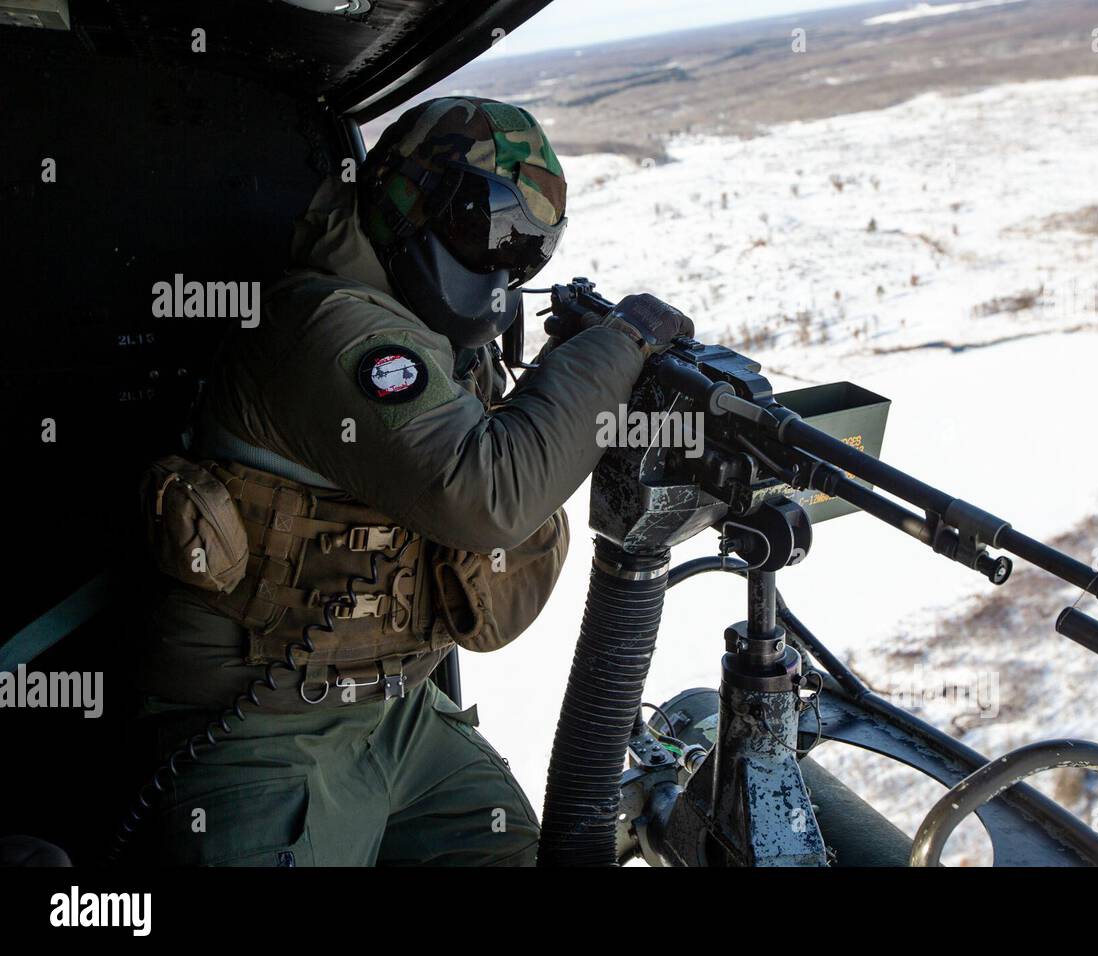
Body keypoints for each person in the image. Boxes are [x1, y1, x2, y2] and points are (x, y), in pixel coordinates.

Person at [132, 96, 693, 866]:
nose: (502, 267)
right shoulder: (329, 327)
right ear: (405, 204)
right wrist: (617, 348)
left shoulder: (427, 339)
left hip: (400, 716)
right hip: (260, 731)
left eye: (527, 250)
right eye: (486, 229)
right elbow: (487, 494)